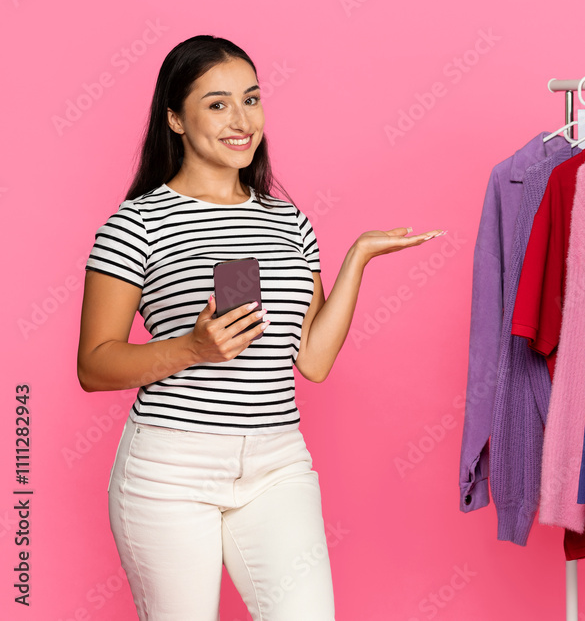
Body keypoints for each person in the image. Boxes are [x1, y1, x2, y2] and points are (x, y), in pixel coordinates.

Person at [76, 35, 443, 620]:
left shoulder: (288, 221)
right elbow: (93, 366)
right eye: (217, 104)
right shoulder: (136, 223)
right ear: (174, 118)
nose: (241, 120)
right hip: (171, 468)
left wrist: (357, 258)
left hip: (277, 463)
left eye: (251, 99)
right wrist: (194, 346)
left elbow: (314, 361)